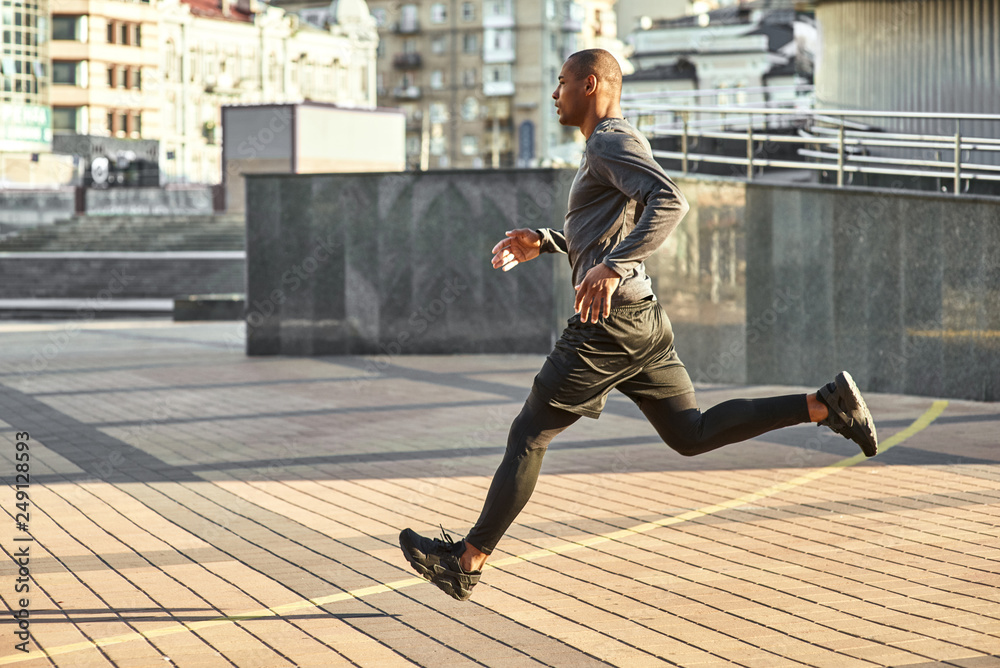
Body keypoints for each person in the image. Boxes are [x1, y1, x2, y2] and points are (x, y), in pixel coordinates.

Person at [399, 49, 877, 602]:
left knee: (528, 434)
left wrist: (612, 265)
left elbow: (670, 202)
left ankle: (467, 560)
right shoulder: (603, 146)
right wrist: (547, 238)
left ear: (590, 83)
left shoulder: (609, 140)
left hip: (608, 325)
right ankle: (826, 405)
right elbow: (610, 226)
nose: (554, 95)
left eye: (561, 83)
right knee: (690, 433)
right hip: (642, 319)